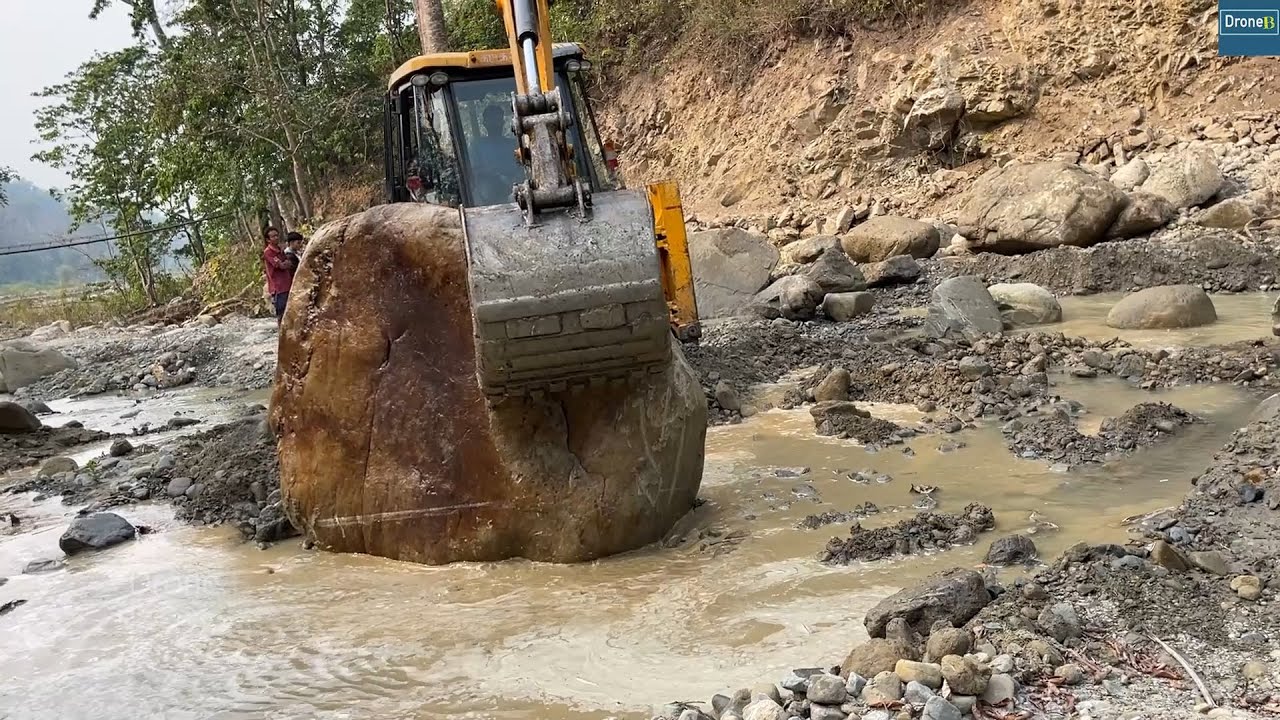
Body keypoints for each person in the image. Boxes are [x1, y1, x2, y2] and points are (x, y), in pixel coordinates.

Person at [262, 227, 293, 323]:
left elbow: (288, 263)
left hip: (287, 284)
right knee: (281, 314)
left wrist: (285, 264)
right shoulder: (268, 252)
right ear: (268, 240)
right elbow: (281, 266)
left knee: (290, 312)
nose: (276, 237)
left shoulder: (280, 250)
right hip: (278, 288)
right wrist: (284, 264)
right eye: (273, 236)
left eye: (277, 235)